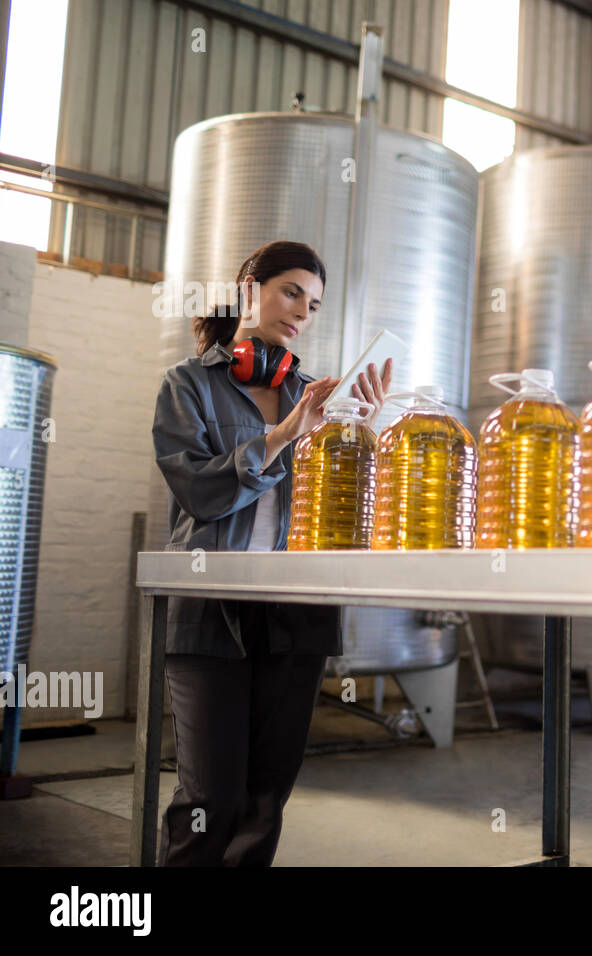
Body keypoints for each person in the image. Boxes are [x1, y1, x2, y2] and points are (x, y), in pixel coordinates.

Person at [151, 240, 392, 865]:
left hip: (296, 611)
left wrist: (360, 435)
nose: (301, 312)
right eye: (290, 292)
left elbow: (344, 513)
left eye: (313, 305)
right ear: (249, 288)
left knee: (264, 803)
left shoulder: (317, 398)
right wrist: (286, 434)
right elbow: (201, 493)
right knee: (211, 799)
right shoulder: (187, 385)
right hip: (211, 609)